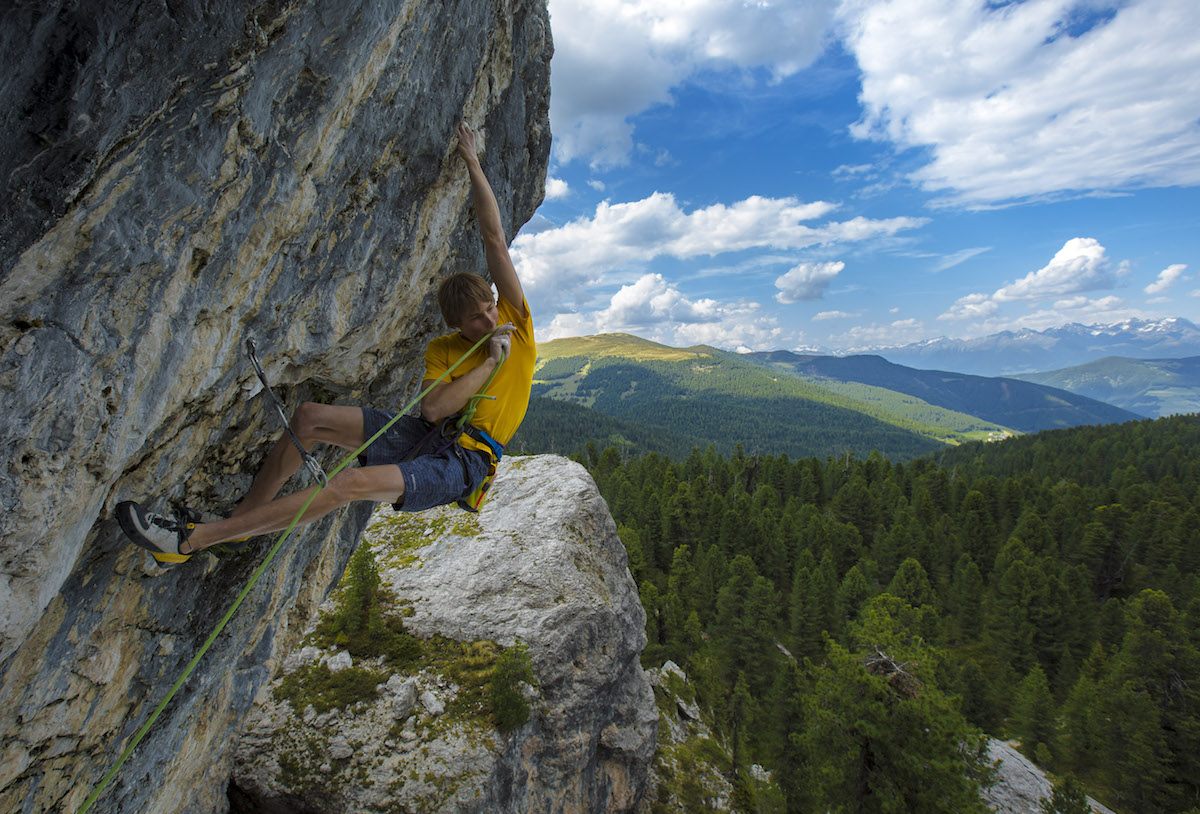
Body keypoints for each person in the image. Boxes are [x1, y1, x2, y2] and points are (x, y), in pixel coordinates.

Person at [117, 122, 536, 568]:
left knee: (345, 486)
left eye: (490, 306)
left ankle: (191, 541)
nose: (490, 317)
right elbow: (434, 410)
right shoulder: (445, 348)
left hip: (467, 463)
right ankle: (241, 526)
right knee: (309, 417)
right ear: (457, 323)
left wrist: (472, 162)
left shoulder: (518, 322)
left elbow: (494, 241)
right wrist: (490, 364)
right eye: (476, 316)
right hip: (435, 435)